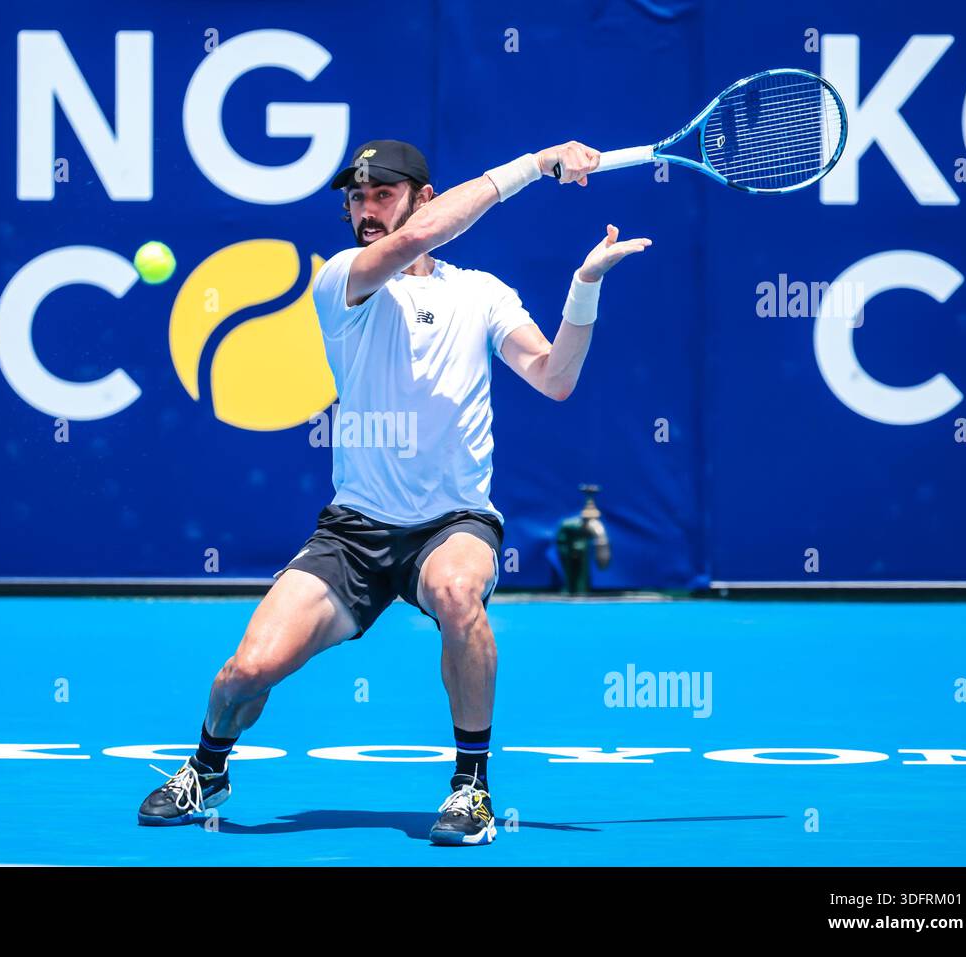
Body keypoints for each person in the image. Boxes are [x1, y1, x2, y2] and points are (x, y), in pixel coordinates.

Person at [139, 138, 651, 845]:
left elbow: (555, 377)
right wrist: (536, 164)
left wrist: (585, 286)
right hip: (354, 533)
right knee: (246, 671)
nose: (367, 208)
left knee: (455, 593)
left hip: (455, 522)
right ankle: (208, 765)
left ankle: (471, 788)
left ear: (424, 193)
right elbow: (422, 238)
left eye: (384, 193)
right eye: (357, 196)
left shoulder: (482, 295)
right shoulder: (343, 280)